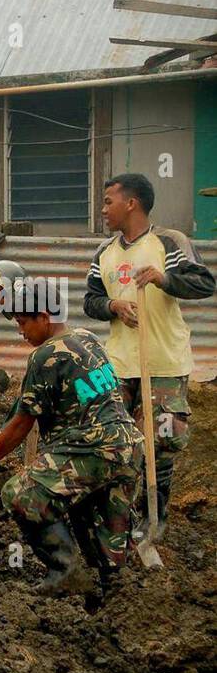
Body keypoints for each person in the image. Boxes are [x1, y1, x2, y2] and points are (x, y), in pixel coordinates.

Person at [0, 277, 143, 603]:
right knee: (108, 542)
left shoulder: (46, 356)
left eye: (22, 323)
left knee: (19, 494)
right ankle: (116, 608)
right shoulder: (88, 338)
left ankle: (64, 571)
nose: (20, 332)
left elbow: (21, 423)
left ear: (44, 318)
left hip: (89, 450)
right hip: (128, 449)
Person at [84, 172, 215, 539]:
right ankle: (116, 517)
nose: (103, 209)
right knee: (113, 441)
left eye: (108, 201)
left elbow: (204, 283)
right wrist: (113, 305)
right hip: (118, 365)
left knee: (162, 441)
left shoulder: (170, 242)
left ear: (132, 203)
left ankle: (154, 517)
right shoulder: (104, 252)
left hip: (162, 363)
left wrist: (163, 279)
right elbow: (90, 301)